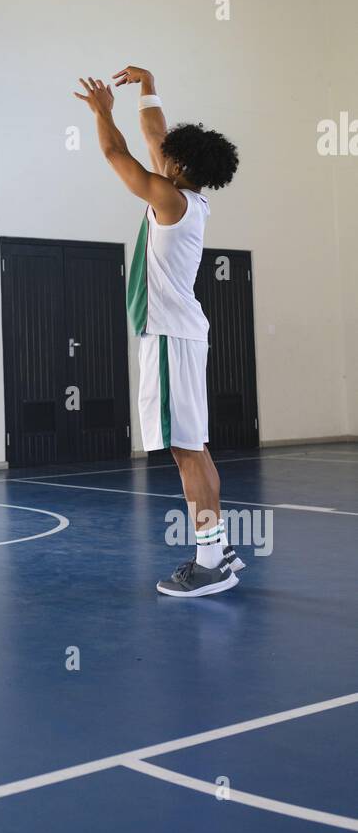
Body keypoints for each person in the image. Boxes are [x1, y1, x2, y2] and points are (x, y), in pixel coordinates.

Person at [74, 66, 240, 597]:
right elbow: (154, 136)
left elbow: (115, 155)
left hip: (169, 336)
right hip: (180, 334)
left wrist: (102, 113)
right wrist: (149, 85)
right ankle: (217, 549)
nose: (160, 152)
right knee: (194, 447)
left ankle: (210, 562)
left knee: (186, 450)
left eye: (169, 154)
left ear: (180, 165)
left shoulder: (168, 199)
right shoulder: (184, 195)